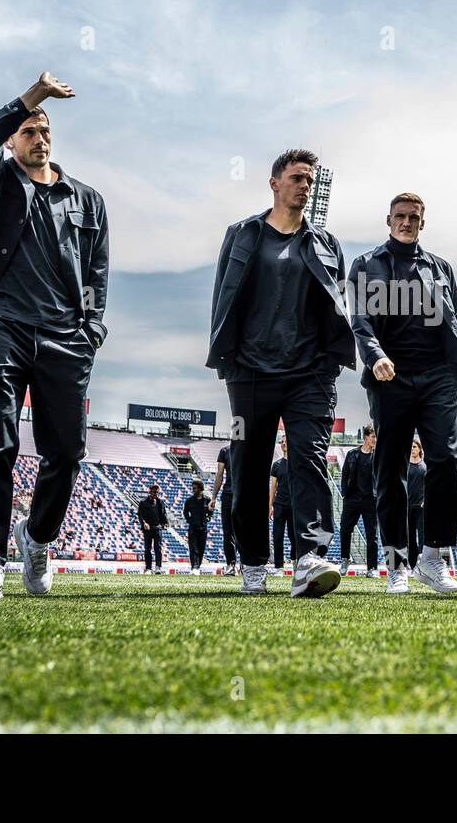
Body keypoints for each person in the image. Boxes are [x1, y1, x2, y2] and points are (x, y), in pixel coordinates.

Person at [0, 72, 109, 601]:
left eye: (44, 129)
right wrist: (32, 96)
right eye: (29, 129)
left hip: (65, 336)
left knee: (67, 453)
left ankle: (35, 538)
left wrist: (92, 329)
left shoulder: (87, 200)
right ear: (13, 139)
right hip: (2, 327)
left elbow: (98, 271)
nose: (38, 136)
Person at [206, 148, 352, 598]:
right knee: (248, 469)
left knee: (308, 461)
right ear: (274, 183)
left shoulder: (326, 242)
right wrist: (227, 359)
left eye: (309, 179)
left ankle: (309, 558)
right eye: (296, 177)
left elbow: (338, 303)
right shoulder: (243, 234)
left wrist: (330, 364)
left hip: (310, 374)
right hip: (249, 373)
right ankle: (252, 563)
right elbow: (224, 295)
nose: (304, 185)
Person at [348, 192, 457, 595]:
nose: (406, 222)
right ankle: (396, 563)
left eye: (413, 217)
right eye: (400, 216)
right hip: (389, 377)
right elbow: (359, 318)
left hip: (437, 377)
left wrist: (453, 368)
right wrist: (375, 356)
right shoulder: (366, 265)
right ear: (388, 220)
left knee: (446, 460)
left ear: (422, 222)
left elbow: (454, 322)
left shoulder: (441, 268)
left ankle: (433, 559)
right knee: (391, 469)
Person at [338, 425, 378, 576]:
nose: (375, 439)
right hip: (352, 499)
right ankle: (344, 559)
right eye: (373, 436)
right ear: (366, 437)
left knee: (372, 534)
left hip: (370, 500)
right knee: (345, 530)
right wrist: (344, 494)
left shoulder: (378, 455)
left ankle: (372, 568)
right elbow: (344, 475)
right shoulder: (352, 454)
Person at [270, 437, 295, 571]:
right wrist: (270, 505)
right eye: (282, 442)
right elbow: (273, 487)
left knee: (293, 536)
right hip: (279, 504)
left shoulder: (296, 464)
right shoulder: (277, 465)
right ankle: (279, 567)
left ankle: (295, 562)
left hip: (293, 505)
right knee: (277, 536)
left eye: (286, 441)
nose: (284, 444)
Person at [212, 442, 238, 574]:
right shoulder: (224, 451)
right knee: (228, 532)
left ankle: (240, 564)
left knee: (237, 532)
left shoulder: (247, 448)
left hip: (241, 495)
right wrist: (213, 497)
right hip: (229, 494)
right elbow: (219, 474)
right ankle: (232, 564)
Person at [136, 484, 168, 574]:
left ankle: (158, 567)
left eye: (157, 492)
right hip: (148, 529)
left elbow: (163, 514)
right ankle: (148, 568)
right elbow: (140, 515)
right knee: (147, 549)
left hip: (158, 528)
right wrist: (144, 523)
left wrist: (165, 522)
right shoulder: (143, 502)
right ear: (149, 492)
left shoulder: (160, 502)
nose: (156, 494)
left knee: (158, 547)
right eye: (154, 492)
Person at [183, 479, 212, 574]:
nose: (193, 490)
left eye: (195, 488)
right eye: (193, 488)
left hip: (203, 529)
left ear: (200, 488)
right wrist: (189, 520)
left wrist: (208, 518)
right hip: (192, 528)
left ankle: (197, 567)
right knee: (193, 548)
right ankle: (194, 567)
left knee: (201, 549)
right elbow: (185, 512)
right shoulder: (189, 501)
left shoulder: (207, 500)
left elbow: (211, 511)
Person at [407, 439, 427, 570]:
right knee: (410, 538)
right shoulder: (405, 466)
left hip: (421, 507)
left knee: (422, 536)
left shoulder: (425, 466)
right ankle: (412, 565)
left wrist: (426, 500)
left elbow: (429, 486)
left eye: (414, 447)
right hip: (407, 507)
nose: (412, 449)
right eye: (410, 447)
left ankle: (423, 563)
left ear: (419, 449)